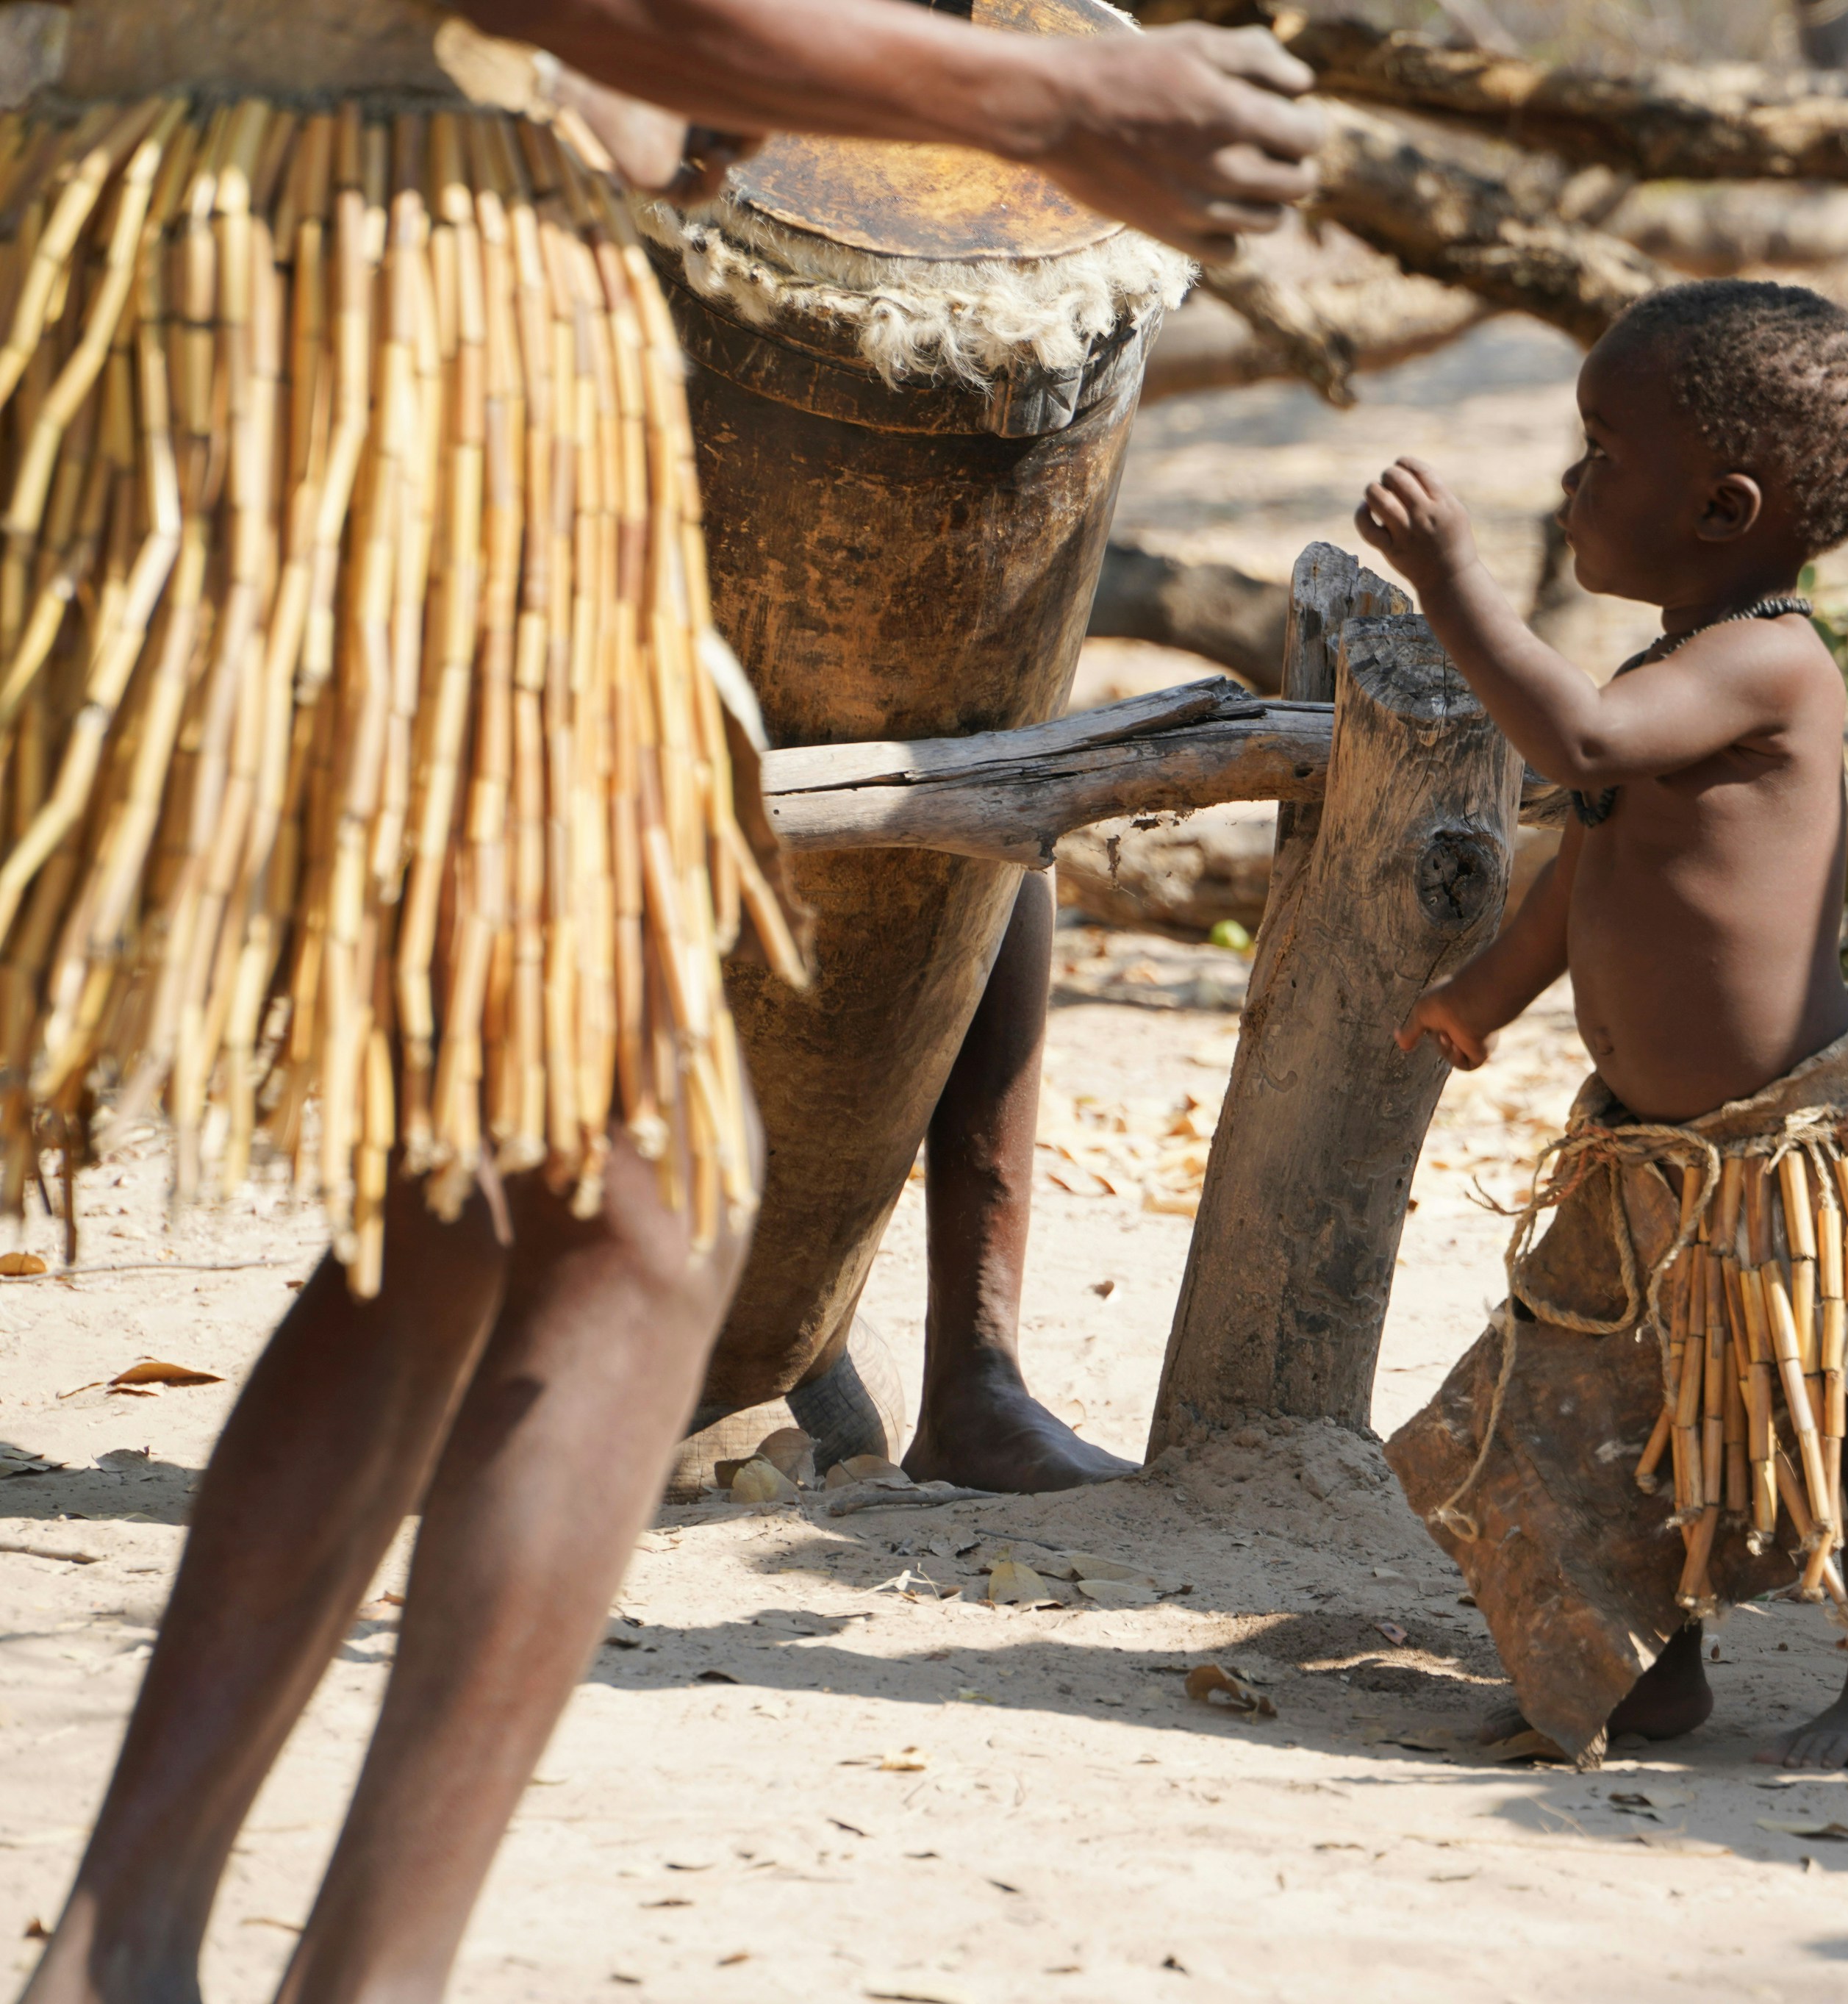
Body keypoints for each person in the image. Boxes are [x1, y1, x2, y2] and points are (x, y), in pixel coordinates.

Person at [16, 5, 1317, 2000]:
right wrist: (1048, 100)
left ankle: (151, 1953)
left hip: (288, 254)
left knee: (511, 1207)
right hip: (358, 289)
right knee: (630, 1202)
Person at [1360, 280, 1848, 1772]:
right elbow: (1588, 857)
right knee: (1624, 1420)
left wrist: (1451, 583)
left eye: (1605, 452)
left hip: (1787, 1157)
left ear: (1724, 506)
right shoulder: (1670, 664)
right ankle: (1649, 1674)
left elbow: (1582, 750)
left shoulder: (1765, 665)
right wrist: (1483, 994)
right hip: (1654, 1162)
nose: (1571, 483)